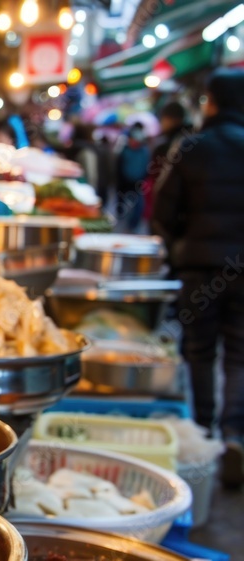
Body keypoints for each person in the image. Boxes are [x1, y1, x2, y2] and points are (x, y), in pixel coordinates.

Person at [152, 69, 244, 487]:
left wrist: (178, 248)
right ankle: (233, 433)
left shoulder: (191, 146)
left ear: (212, 102)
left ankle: (205, 430)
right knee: (240, 354)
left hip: (200, 268)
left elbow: (162, 211)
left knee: (200, 351)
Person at [144, 102, 193, 225]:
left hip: (169, 213)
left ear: (167, 119)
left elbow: (157, 182)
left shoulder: (165, 146)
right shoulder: (195, 139)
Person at [115, 123, 151, 232]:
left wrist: (144, 178)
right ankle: (122, 222)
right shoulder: (124, 150)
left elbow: (147, 165)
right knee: (122, 204)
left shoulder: (144, 151)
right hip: (124, 181)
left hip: (137, 181)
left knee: (138, 205)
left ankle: (132, 226)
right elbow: (118, 165)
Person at [67, 123, 106, 201]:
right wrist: (92, 195)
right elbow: (91, 176)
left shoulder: (74, 147)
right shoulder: (87, 151)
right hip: (84, 192)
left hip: (76, 189)